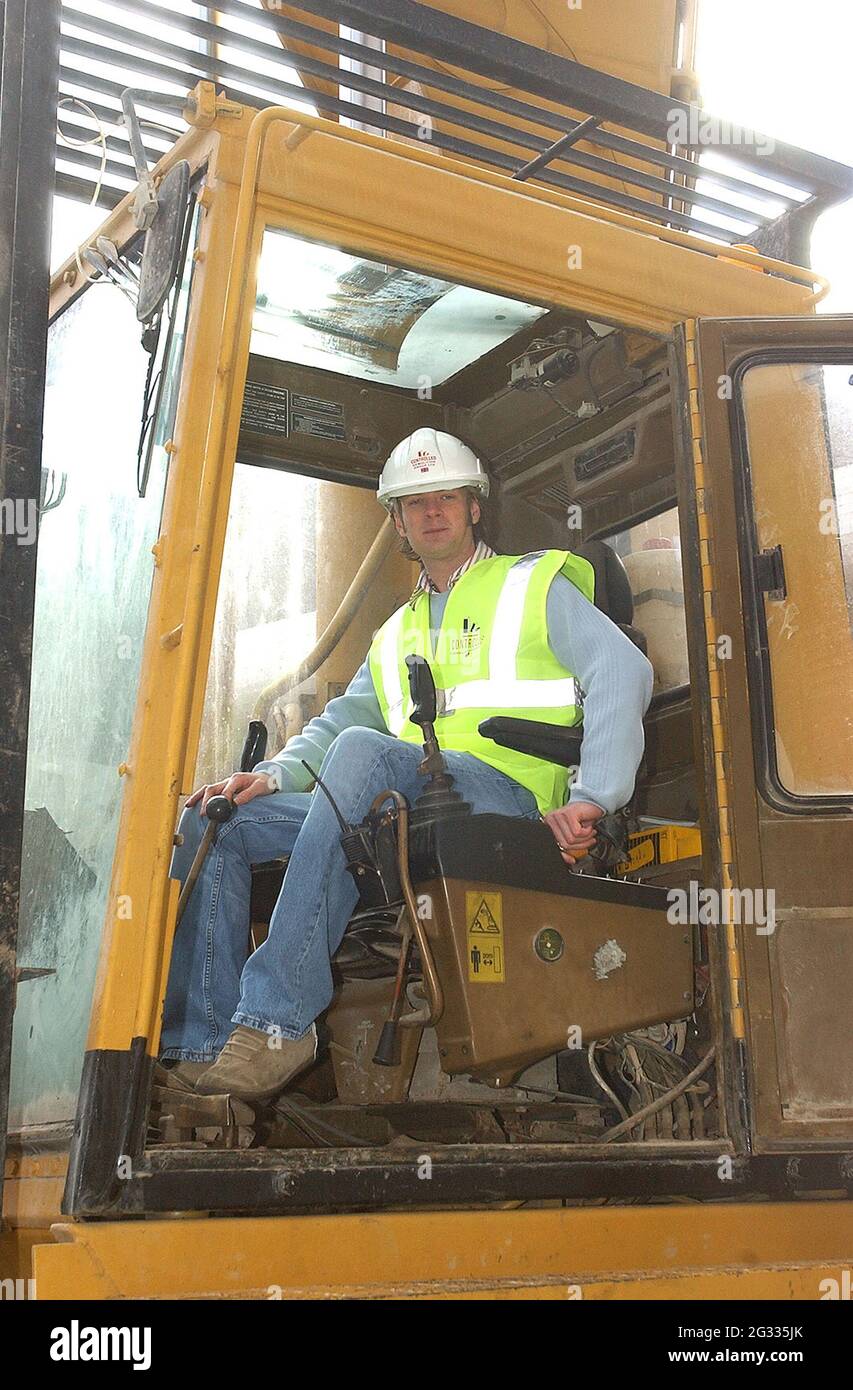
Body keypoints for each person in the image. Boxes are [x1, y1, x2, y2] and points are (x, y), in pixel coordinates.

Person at [160, 428, 653, 1100]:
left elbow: (619, 670)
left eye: (445, 496)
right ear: (396, 520)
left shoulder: (530, 585)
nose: (432, 512)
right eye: (414, 502)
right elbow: (344, 719)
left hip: (507, 800)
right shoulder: (395, 631)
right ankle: (203, 1042)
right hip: (403, 802)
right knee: (217, 818)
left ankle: (278, 1021)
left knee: (361, 755)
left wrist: (593, 795)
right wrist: (274, 775)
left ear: (474, 506)